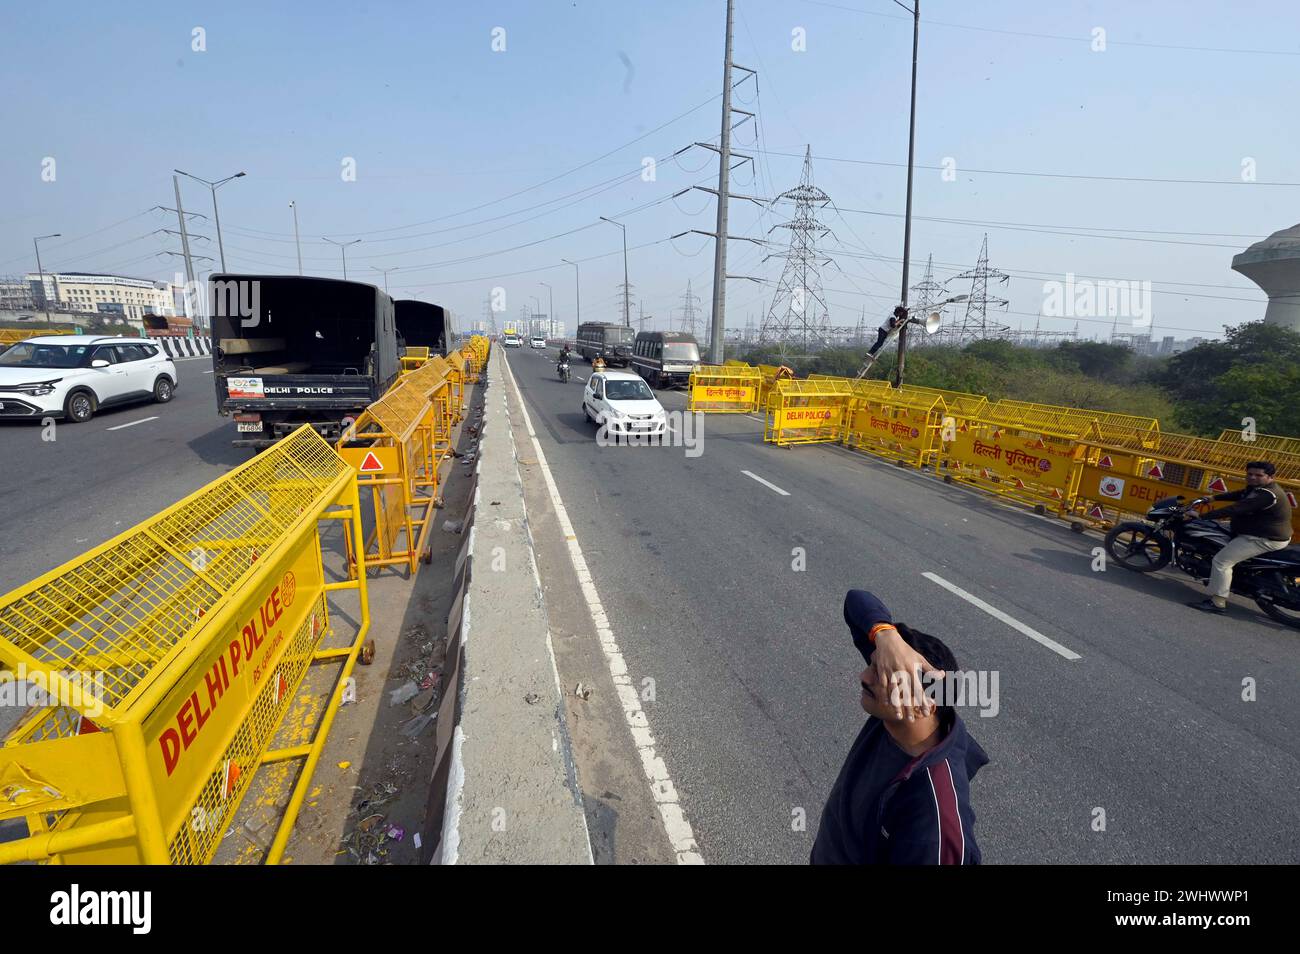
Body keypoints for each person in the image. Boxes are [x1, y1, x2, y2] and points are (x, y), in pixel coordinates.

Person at [811, 590, 988, 865]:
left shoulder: (934, 819)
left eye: (880, 674)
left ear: (924, 704)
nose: (864, 676)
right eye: (873, 665)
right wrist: (885, 635)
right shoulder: (896, 714)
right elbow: (856, 600)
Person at [1187, 460, 1294, 614]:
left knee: (1221, 561)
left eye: (1258, 475)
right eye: (1250, 474)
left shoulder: (1268, 495)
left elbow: (1237, 508)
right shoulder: (1258, 488)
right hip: (1260, 532)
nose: (1252, 477)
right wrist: (1213, 498)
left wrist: (1202, 516)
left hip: (1264, 539)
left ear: (1271, 477)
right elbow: (1240, 495)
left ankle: (1217, 603)